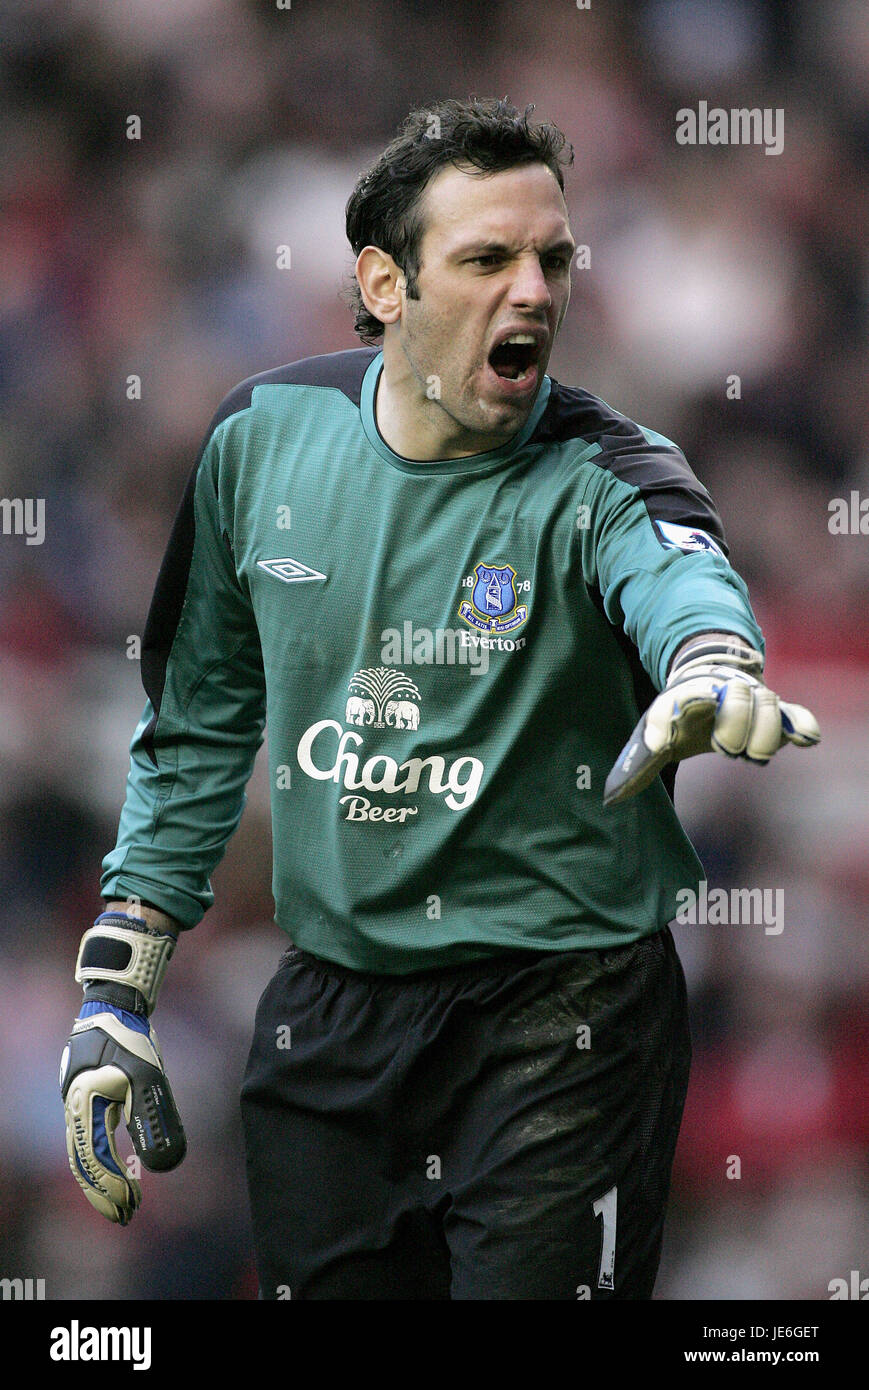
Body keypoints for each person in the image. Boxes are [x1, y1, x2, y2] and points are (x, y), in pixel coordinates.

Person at [60, 98, 819, 1300]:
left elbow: (683, 578)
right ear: (384, 283)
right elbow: (197, 727)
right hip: (332, 1013)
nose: (533, 290)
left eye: (552, 258)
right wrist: (118, 996)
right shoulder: (259, 442)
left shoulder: (605, 468)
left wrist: (711, 667)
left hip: (562, 1015)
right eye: (485, 259)